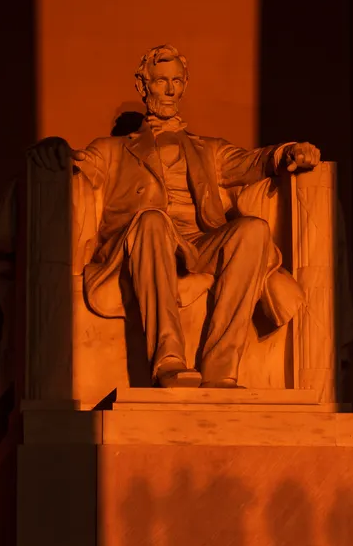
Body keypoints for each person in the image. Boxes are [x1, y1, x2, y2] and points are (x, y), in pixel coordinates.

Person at [28, 44, 319, 388]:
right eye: (161, 81)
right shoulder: (112, 150)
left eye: (177, 81)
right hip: (139, 242)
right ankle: (168, 360)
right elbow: (78, 162)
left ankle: (220, 368)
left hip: (198, 243)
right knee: (152, 219)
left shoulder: (209, 149)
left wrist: (289, 152)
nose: (169, 89)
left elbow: (252, 162)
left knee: (253, 230)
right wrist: (53, 148)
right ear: (143, 86)